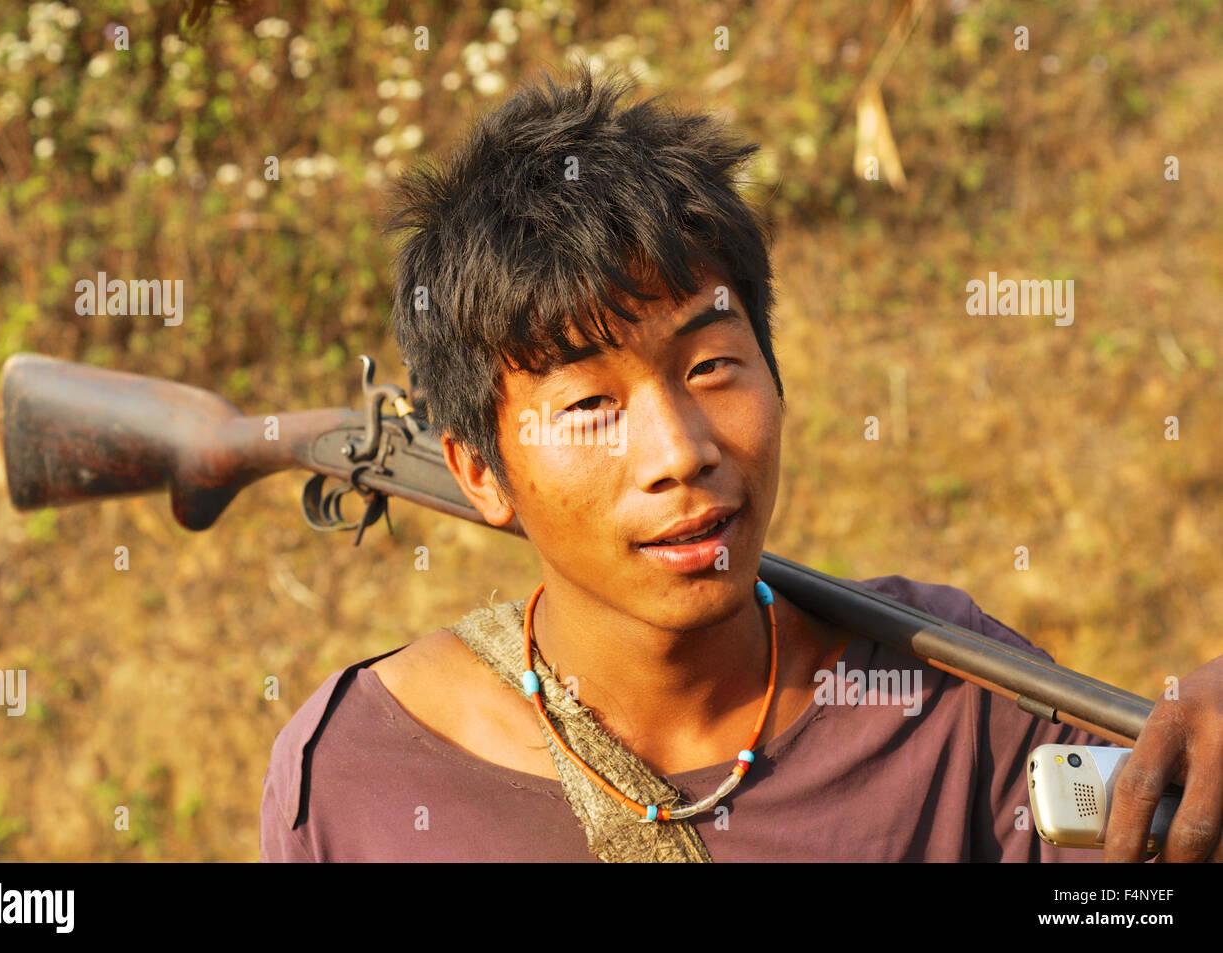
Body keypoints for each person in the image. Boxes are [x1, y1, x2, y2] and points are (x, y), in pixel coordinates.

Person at [260, 61, 1223, 862]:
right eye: (591, 405)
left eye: (713, 367)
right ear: (479, 469)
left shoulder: (946, 694)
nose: (682, 452)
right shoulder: (360, 769)